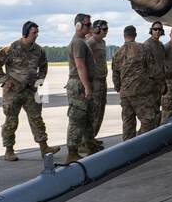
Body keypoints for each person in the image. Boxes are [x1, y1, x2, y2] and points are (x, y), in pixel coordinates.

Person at [0, 21, 57, 161]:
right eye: (34, 33)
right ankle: (9, 150)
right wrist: (3, 81)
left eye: (37, 32)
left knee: (37, 118)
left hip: (31, 91)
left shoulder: (39, 50)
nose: (36, 35)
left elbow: (44, 66)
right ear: (26, 33)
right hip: (13, 92)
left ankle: (44, 147)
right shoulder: (11, 48)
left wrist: (40, 81)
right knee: (11, 121)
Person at [113, 25, 164, 139]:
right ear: (135, 35)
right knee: (148, 120)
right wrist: (161, 83)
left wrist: (119, 88)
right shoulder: (143, 48)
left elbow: (115, 74)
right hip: (141, 93)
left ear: (124, 35)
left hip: (125, 94)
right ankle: (143, 141)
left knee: (128, 123)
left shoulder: (118, 53)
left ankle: (127, 148)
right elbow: (154, 70)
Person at [65, 13, 95, 161]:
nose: (90, 27)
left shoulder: (83, 41)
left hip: (81, 83)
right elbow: (80, 66)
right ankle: (72, 152)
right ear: (78, 26)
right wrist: (87, 87)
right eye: (88, 25)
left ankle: (89, 144)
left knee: (87, 117)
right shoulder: (78, 42)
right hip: (78, 84)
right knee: (76, 118)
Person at [87, 19, 109, 153]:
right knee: (93, 111)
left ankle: (92, 137)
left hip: (102, 79)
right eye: (104, 29)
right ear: (96, 29)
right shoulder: (90, 43)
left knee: (100, 110)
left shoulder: (102, 42)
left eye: (107, 29)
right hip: (94, 81)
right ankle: (87, 141)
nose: (106, 32)